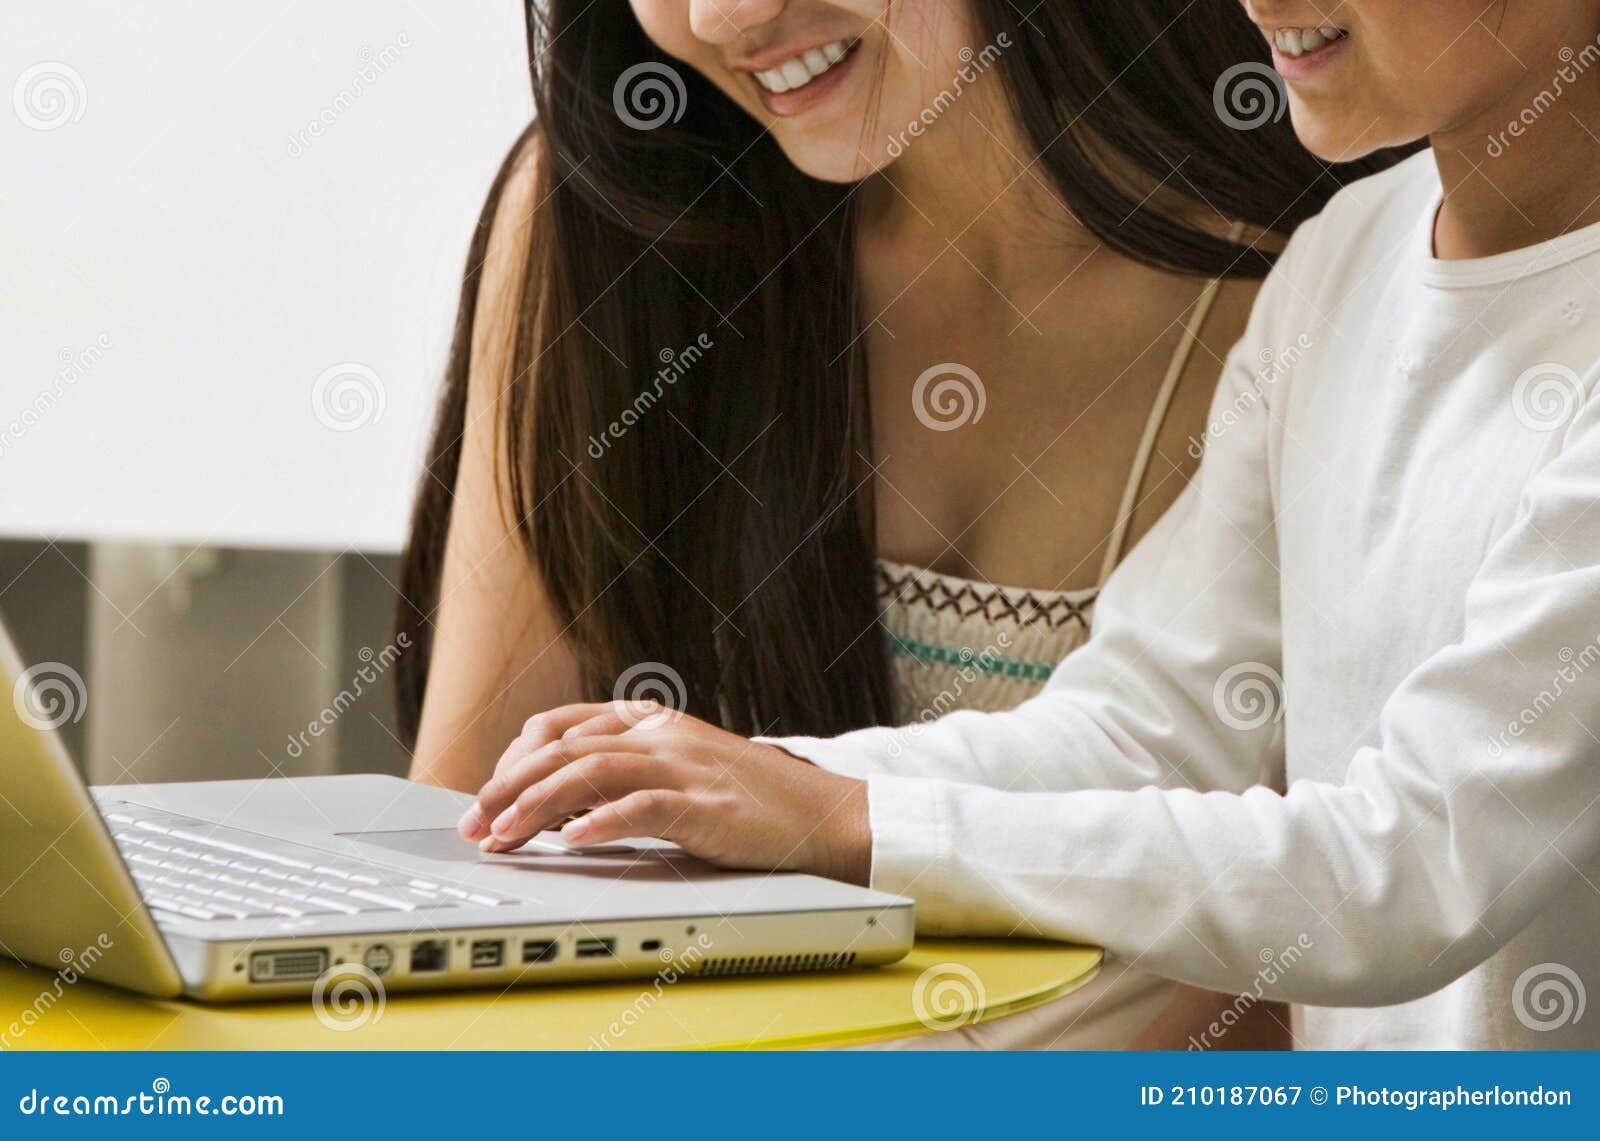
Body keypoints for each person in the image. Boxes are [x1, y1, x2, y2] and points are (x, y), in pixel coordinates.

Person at [459, 0, 1600, 1049]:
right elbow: (1145, 729)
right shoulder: (1347, 253)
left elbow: (1411, 865)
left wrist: (852, 823)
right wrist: (749, 784)